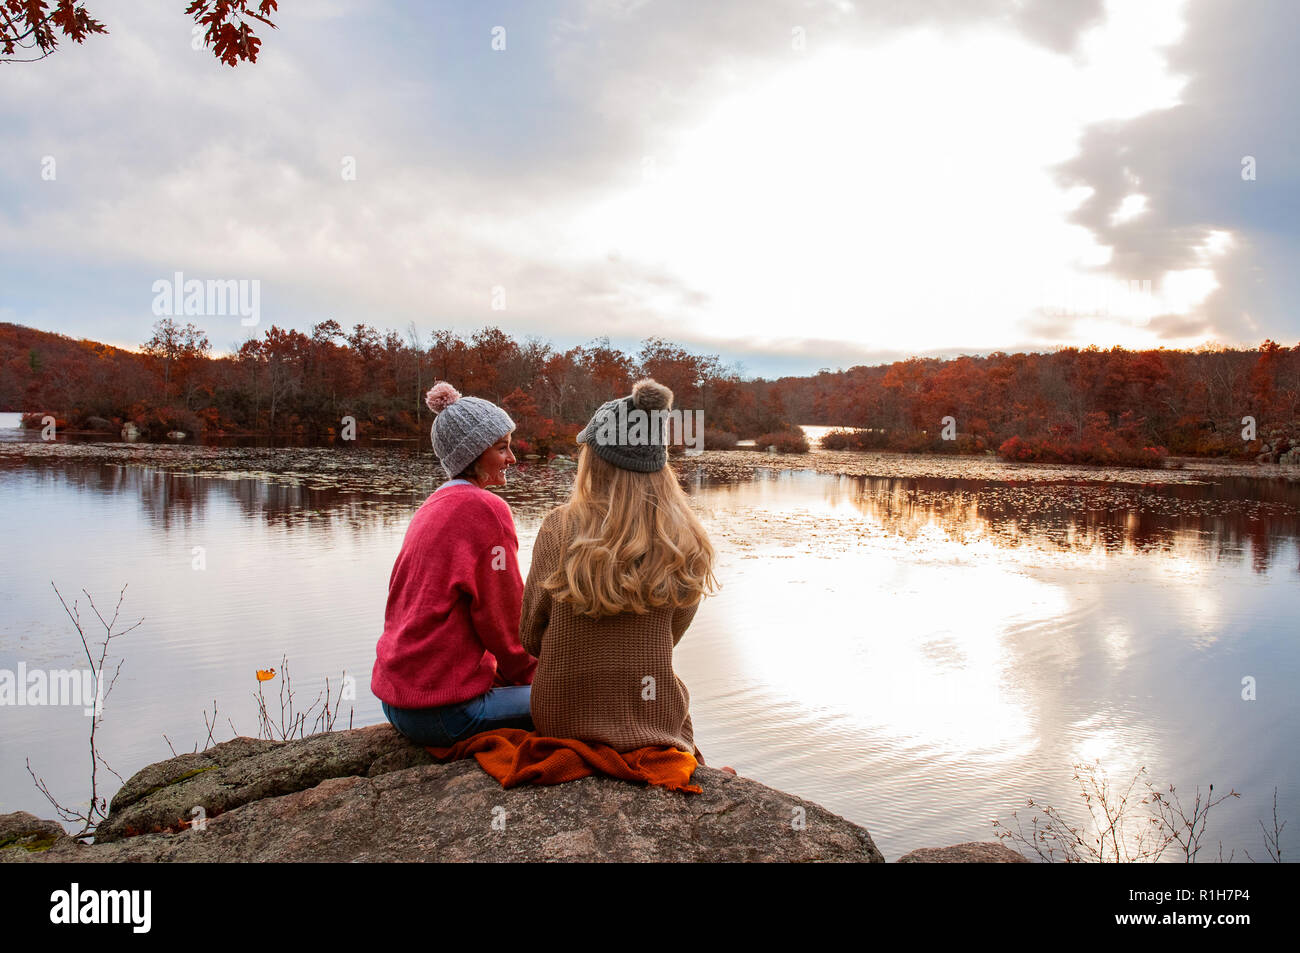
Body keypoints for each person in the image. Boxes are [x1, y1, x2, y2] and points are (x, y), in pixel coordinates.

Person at [519, 378, 721, 764]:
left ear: (594, 459)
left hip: (561, 718)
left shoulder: (559, 527)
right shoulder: (687, 541)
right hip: (653, 717)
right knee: (679, 707)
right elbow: (668, 638)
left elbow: (531, 637)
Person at [371, 381, 537, 746]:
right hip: (446, 712)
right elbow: (505, 619)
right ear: (474, 454)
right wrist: (539, 677)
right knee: (584, 699)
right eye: (502, 448)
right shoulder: (485, 510)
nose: (511, 459)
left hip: (398, 702)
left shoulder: (434, 505)